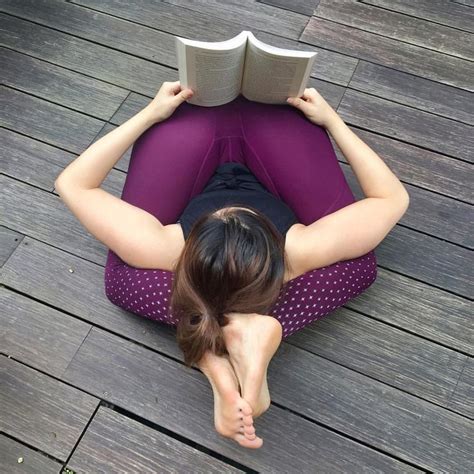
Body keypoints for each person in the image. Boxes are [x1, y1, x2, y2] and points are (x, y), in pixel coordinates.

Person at [55, 81, 410, 449]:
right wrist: (331, 121)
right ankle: (244, 329)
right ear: (277, 258)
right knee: (360, 263)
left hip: (196, 128)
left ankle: (211, 346)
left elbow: (74, 183)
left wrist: (150, 113)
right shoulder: (300, 248)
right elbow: (391, 197)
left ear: (188, 254)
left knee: (122, 277)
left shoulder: (166, 247)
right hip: (269, 126)